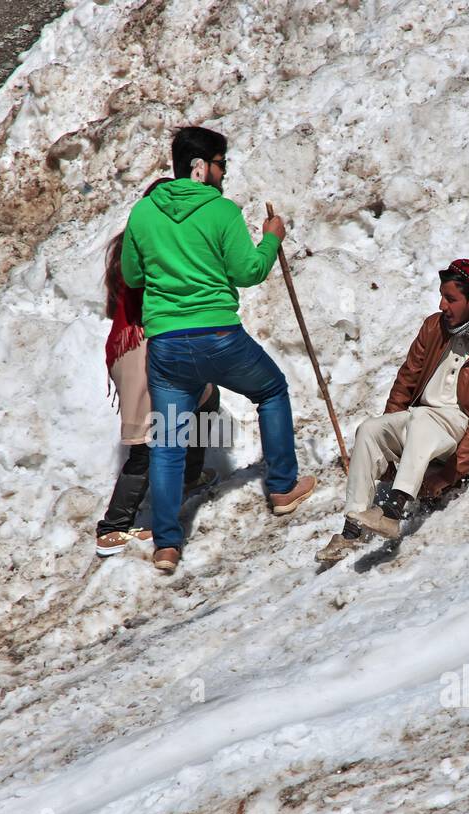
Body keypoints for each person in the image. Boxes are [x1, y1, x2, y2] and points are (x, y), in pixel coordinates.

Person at [121, 126, 316, 573]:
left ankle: (167, 545)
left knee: (169, 442)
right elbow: (248, 272)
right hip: (218, 337)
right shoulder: (220, 211)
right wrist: (272, 237)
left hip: (166, 345)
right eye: (221, 163)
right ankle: (283, 486)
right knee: (270, 391)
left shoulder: (144, 213)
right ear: (201, 166)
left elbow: (133, 276)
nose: (224, 172)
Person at [316, 259, 469, 561]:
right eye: (442, 296)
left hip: (465, 430)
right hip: (423, 421)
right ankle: (353, 528)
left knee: (423, 422)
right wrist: (387, 448)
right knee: (370, 430)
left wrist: (446, 477)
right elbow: (406, 383)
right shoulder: (434, 328)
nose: (442, 305)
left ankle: (392, 512)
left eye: (451, 299)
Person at [96, 180, 219, 557]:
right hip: (141, 348)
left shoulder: (137, 238)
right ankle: (113, 527)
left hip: (151, 342)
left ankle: (189, 474)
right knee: (150, 439)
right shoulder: (148, 241)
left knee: (207, 398)